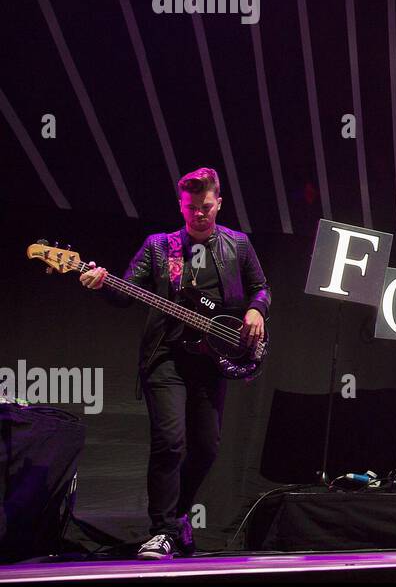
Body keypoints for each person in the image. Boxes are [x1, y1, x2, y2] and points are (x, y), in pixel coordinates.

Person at [80, 167, 270, 559]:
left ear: (218, 203)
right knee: (170, 441)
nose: (199, 214)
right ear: (180, 206)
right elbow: (125, 293)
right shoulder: (159, 246)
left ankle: (178, 516)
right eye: (191, 208)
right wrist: (101, 283)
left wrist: (256, 311)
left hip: (212, 358)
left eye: (205, 207)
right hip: (165, 356)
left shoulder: (237, 245)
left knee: (206, 448)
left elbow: (261, 288)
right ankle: (162, 529)